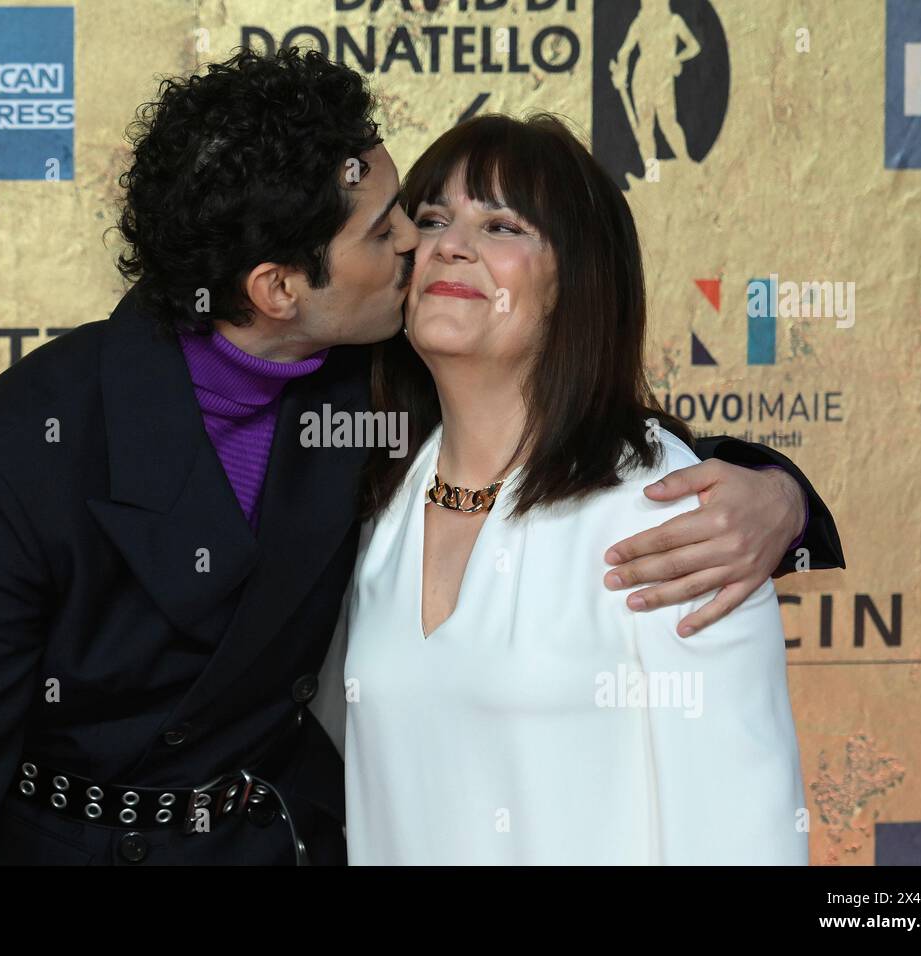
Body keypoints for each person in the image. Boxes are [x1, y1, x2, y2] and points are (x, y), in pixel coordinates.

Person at [0, 48, 842, 866]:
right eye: (400, 225)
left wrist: (780, 497)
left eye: (451, 216)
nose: (423, 244)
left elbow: (570, 435)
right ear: (279, 287)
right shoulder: (20, 452)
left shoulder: (375, 391)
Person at [312, 113, 814, 865]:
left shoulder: (673, 509)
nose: (451, 244)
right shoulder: (373, 498)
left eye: (502, 226)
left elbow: (745, 833)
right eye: (432, 219)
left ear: (577, 280)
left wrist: (787, 497)